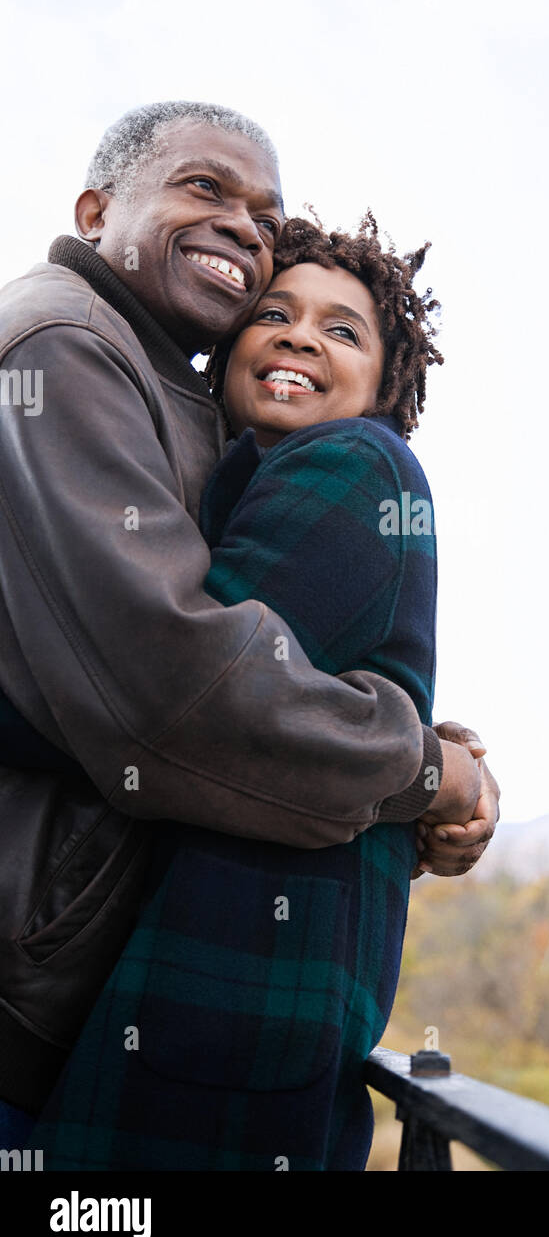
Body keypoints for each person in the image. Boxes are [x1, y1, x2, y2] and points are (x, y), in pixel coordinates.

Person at [0, 102, 498, 1147]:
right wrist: (418, 773)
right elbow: (175, 700)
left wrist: (416, 774)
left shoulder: (231, 438)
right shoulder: (65, 343)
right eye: (203, 188)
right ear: (96, 210)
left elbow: (234, 710)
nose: (241, 226)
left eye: (262, 214)